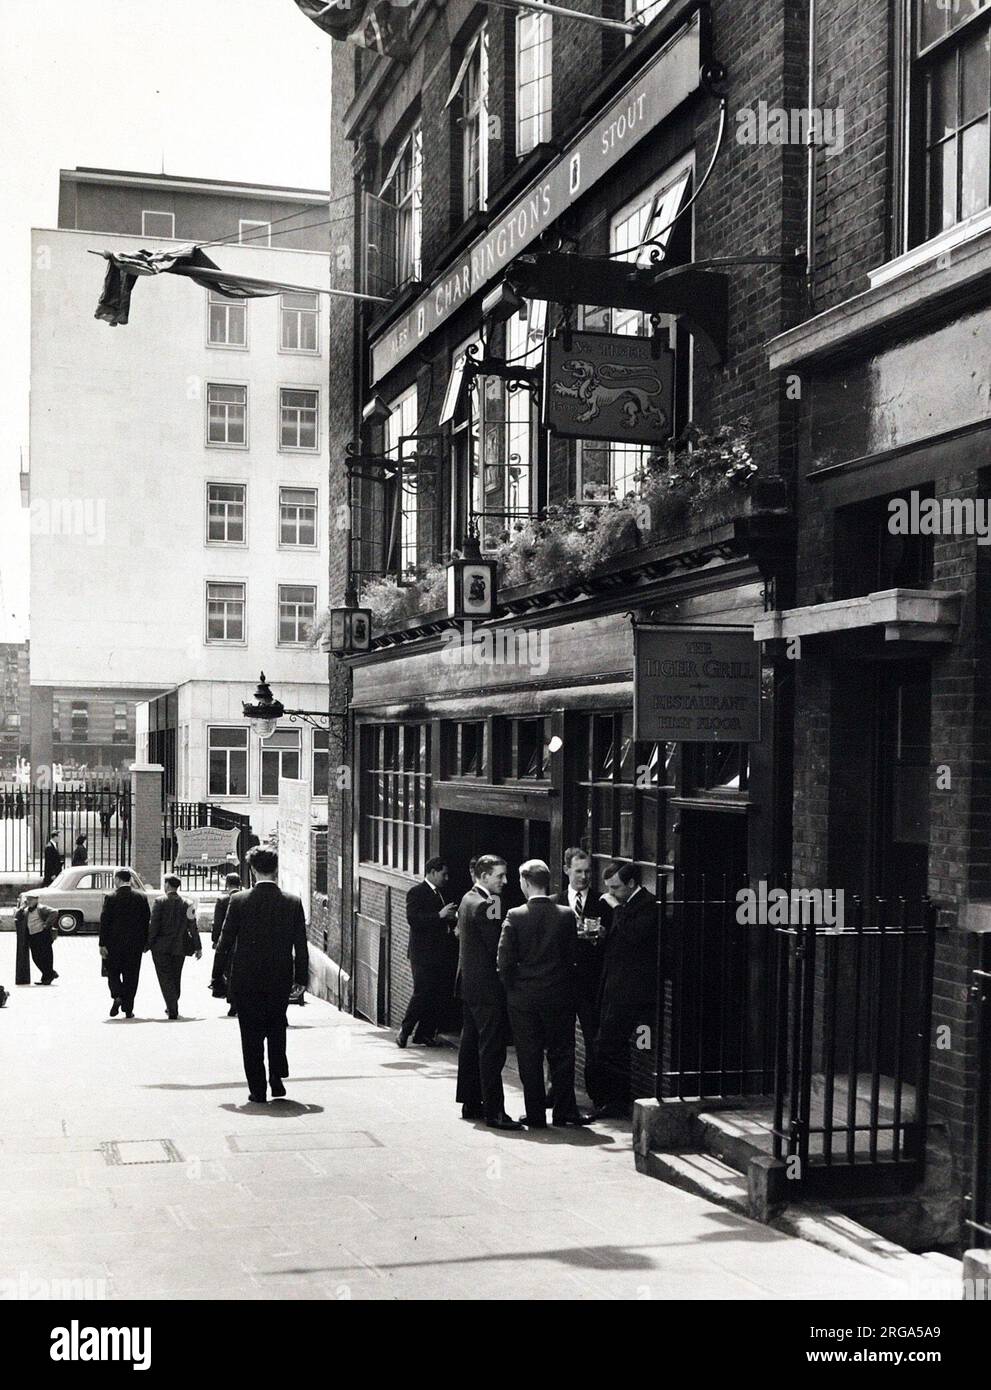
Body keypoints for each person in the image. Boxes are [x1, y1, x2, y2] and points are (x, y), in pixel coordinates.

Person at [497, 859, 593, 1129]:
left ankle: (536, 1114)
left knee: (529, 1056)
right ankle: (564, 1112)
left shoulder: (515, 915)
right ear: (548, 881)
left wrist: (514, 988)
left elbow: (503, 961)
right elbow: (573, 958)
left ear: (526, 882)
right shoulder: (565, 915)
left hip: (524, 999)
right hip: (559, 997)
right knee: (562, 1053)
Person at [212, 845, 308, 1105]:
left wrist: (216, 977)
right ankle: (277, 1075)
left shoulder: (239, 900)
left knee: (250, 1034)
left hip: (246, 979)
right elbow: (301, 945)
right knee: (277, 1025)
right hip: (280, 978)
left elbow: (225, 942)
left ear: (252, 870)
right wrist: (301, 979)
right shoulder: (292, 902)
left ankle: (258, 1089)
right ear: (276, 869)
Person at [454, 854, 522, 1131]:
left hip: (468, 985)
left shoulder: (467, 899)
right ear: (484, 877)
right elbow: (498, 945)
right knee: (491, 1049)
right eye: (500, 876)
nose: (505, 881)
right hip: (487, 989)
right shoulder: (490, 903)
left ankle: (471, 1102)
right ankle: (495, 1112)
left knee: (470, 1045)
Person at [592, 862, 657, 1118]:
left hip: (632, 992)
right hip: (614, 986)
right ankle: (613, 1099)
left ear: (631, 884)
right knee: (610, 1045)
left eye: (616, 887)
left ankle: (616, 1101)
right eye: (608, 888)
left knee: (609, 1044)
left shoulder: (649, 905)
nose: (611, 893)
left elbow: (635, 936)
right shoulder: (626, 903)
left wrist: (617, 908)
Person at [553, 848, 603, 1101]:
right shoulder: (555, 903)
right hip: (561, 983)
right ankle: (558, 1092)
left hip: (589, 984)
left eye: (587, 871)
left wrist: (603, 936)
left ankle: (596, 1095)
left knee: (593, 1039)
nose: (584, 877)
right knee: (560, 1040)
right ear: (566, 871)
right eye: (578, 871)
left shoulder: (602, 902)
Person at [397, 856, 458, 1048]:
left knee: (439, 994)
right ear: (432, 872)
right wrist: (439, 916)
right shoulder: (416, 893)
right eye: (443, 874)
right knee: (422, 993)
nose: (446, 878)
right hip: (422, 954)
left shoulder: (443, 893)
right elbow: (414, 919)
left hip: (441, 953)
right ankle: (405, 1030)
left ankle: (424, 1033)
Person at [99, 869, 151, 1018]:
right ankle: (128, 1008)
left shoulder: (110, 898)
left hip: (113, 944)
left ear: (118, 879)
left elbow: (105, 922)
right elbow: (146, 920)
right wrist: (146, 942)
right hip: (135, 945)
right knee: (132, 975)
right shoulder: (141, 897)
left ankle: (117, 995)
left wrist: (102, 943)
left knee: (113, 972)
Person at [147, 875, 201, 1019]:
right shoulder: (188, 904)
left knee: (165, 978)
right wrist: (198, 946)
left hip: (160, 947)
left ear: (167, 885)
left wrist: (148, 944)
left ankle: (172, 1008)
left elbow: (154, 925)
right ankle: (172, 1003)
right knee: (176, 976)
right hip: (180, 947)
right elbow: (193, 926)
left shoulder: (159, 902)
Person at [211, 872, 243, 1017]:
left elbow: (218, 923)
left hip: (227, 941)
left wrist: (215, 940)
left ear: (227, 884)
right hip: (242, 940)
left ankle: (231, 1001)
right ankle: (237, 1000)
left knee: (227, 971)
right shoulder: (245, 898)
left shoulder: (222, 900)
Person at [14, 893, 59, 985]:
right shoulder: (26, 910)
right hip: (32, 935)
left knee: (46, 957)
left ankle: (47, 977)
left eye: (31, 899)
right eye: (27, 900)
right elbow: (17, 917)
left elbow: (54, 912)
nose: (29, 902)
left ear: (36, 900)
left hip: (42, 935)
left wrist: (46, 924)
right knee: (36, 957)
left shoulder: (41, 908)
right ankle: (50, 973)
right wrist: (22, 907)